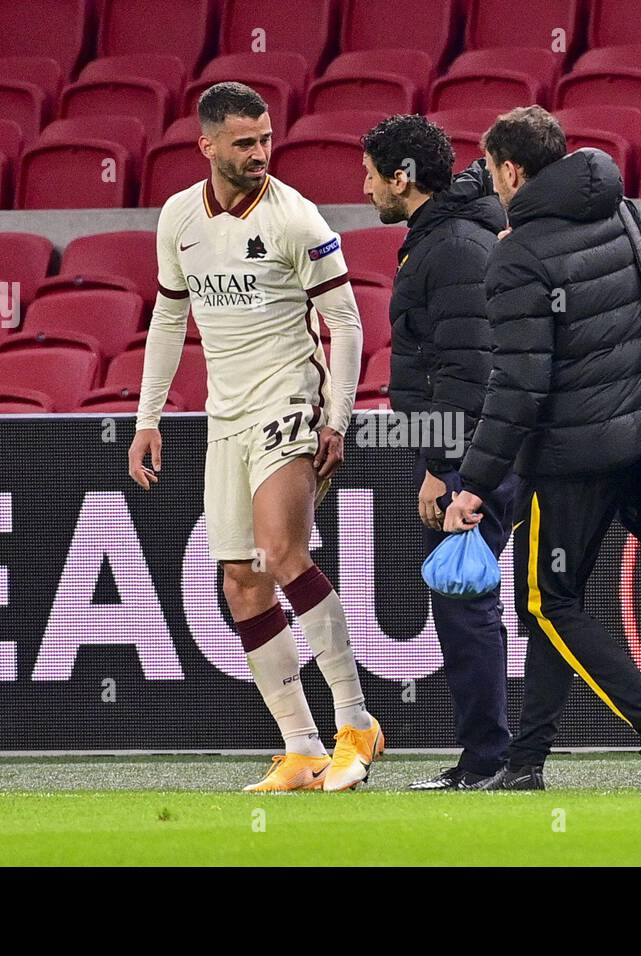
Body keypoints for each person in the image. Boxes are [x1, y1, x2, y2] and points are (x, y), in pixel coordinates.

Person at [128, 82, 383, 792]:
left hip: (289, 398)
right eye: (244, 142)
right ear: (206, 144)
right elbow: (169, 320)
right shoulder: (179, 217)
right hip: (224, 416)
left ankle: (356, 722)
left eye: (266, 139)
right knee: (241, 581)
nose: (260, 153)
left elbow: (348, 322)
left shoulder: (296, 217)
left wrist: (337, 416)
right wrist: (148, 418)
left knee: (281, 552)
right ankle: (300, 748)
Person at [444, 107, 641, 791]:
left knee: (542, 605)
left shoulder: (518, 256)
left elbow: (518, 388)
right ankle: (527, 762)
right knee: (558, 601)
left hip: (567, 457)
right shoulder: (623, 212)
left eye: (492, 171)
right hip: (631, 436)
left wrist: (472, 482)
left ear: (510, 169)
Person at [361, 114, 517, 790]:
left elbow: (466, 373)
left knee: (464, 599)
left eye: (370, 174)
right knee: (474, 596)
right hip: (476, 450)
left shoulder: (450, 246)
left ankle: (489, 760)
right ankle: (497, 757)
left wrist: (439, 470)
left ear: (403, 177)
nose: (363, 188)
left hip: (474, 456)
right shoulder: (440, 238)